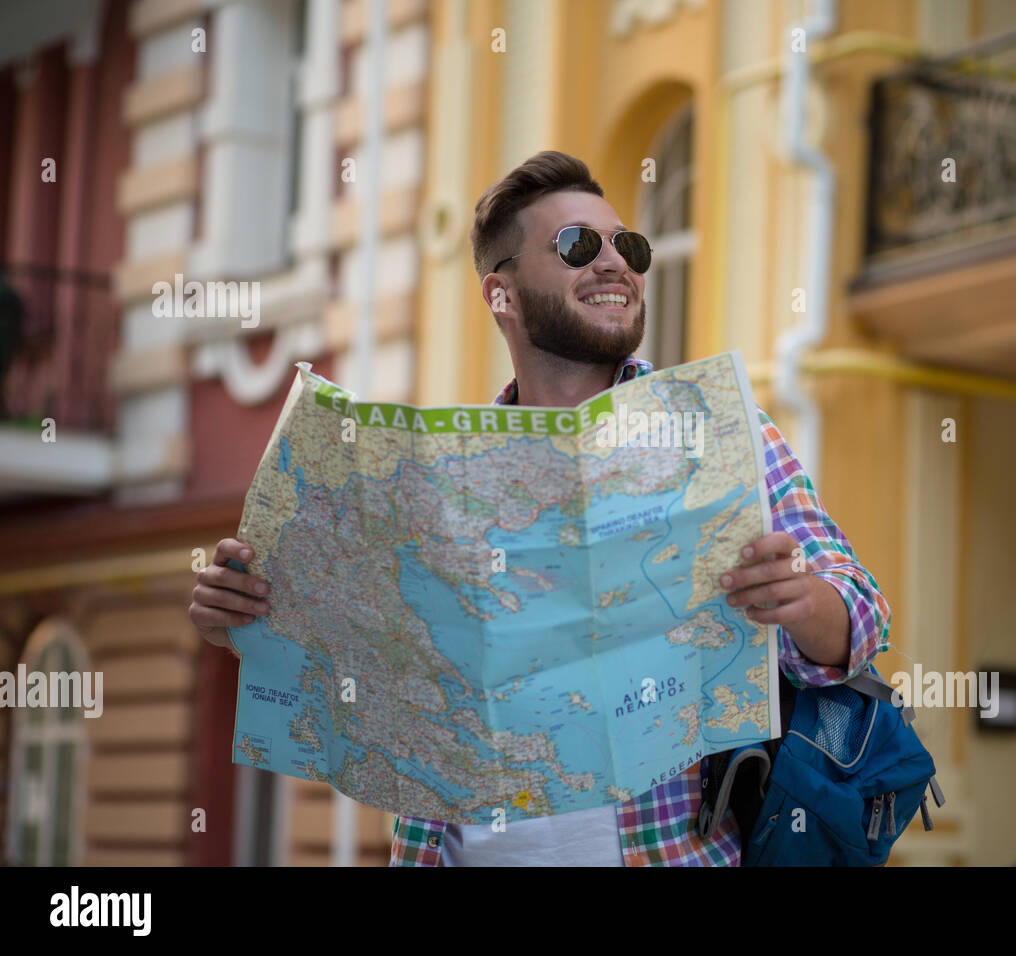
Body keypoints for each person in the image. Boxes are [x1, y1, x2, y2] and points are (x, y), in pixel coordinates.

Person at [188, 150, 891, 866]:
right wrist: (245, 618)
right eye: (577, 245)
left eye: (629, 246)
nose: (615, 262)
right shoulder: (427, 479)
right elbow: (348, 661)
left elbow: (861, 616)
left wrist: (799, 600)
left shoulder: (718, 434)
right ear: (502, 294)